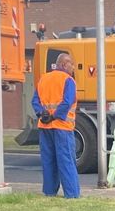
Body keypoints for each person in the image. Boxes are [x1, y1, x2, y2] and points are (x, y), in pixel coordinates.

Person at [31, 53, 80, 198]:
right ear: (64, 64)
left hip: (45, 127)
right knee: (66, 160)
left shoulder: (44, 79)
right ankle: (72, 194)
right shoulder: (68, 80)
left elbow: (35, 101)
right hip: (62, 127)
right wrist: (55, 116)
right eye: (71, 64)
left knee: (48, 161)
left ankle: (49, 192)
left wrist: (43, 114)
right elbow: (67, 102)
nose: (73, 68)